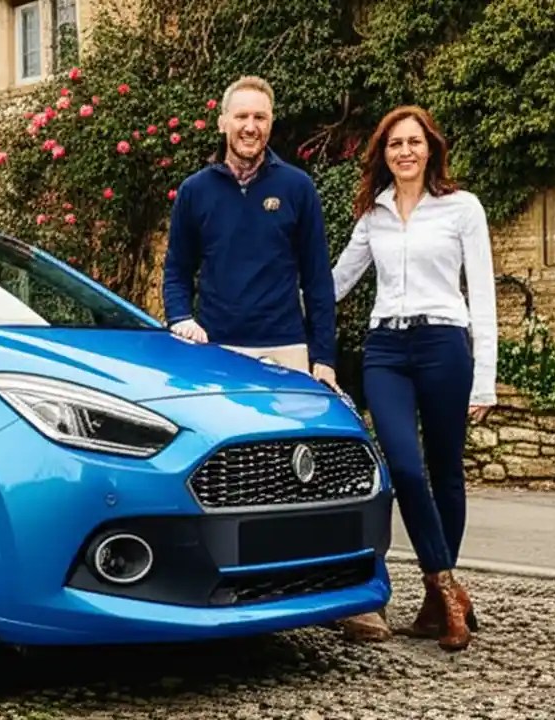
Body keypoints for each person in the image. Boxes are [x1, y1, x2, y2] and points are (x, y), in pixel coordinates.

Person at [162, 75, 391, 643]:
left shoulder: (296, 188)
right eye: (241, 117)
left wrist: (324, 358)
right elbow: (175, 270)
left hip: (286, 350)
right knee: (233, 478)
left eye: (260, 118)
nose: (250, 127)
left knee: (322, 475)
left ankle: (354, 595)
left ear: (271, 124)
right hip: (215, 355)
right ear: (222, 123)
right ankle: (229, 587)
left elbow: (318, 280)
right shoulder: (196, 190)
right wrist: (179, 319)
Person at [332, 105, 498, 652]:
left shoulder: (462, 208)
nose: (405, 152)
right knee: (403, 464)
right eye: (394, 144)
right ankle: (448, 588)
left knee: (446, 470)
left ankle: (435, 605)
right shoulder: (373, 214)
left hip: (444, 344)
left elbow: (484, 294)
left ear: (431, 149)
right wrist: (265, 309)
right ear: (384, 154)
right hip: (386, 348)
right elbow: (336, 283)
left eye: (414, 142)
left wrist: (484, 379)